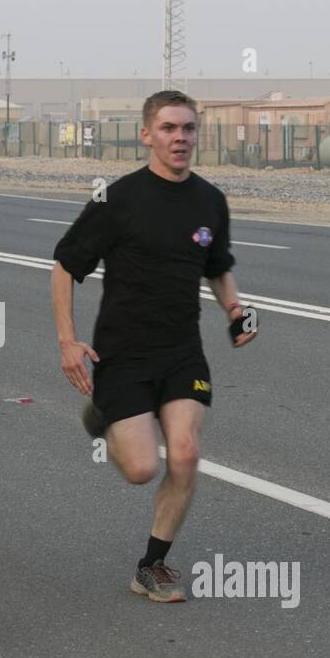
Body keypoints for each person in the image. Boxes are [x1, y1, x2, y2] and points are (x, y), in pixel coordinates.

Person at [50, 90, 258, 603]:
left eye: (188, 128)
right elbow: (64, 266)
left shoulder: (211, 200)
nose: (180, 138)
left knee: (185, 453)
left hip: (182, 350)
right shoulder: (115, 199)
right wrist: (67, 340)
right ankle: (103, 413)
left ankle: (152, 565)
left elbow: (218, 267)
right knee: (142, 469)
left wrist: (236, 311)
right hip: (122, 353)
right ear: (147, 134)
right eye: (168, 128)